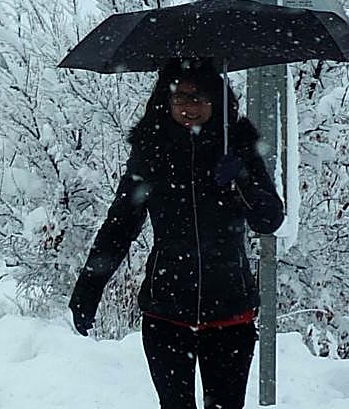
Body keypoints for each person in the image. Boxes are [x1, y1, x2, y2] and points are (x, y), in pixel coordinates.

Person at [69, 60, 285, 409]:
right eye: (180, 96)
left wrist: (242, 180)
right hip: (167, 310)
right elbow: (120, 225)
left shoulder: (237, 146)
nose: (189, 106)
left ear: (216, 99)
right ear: (165, 101)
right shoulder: (153, 153)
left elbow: (269, 220)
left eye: (199, 96)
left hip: (230, 311)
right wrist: (89, 288)